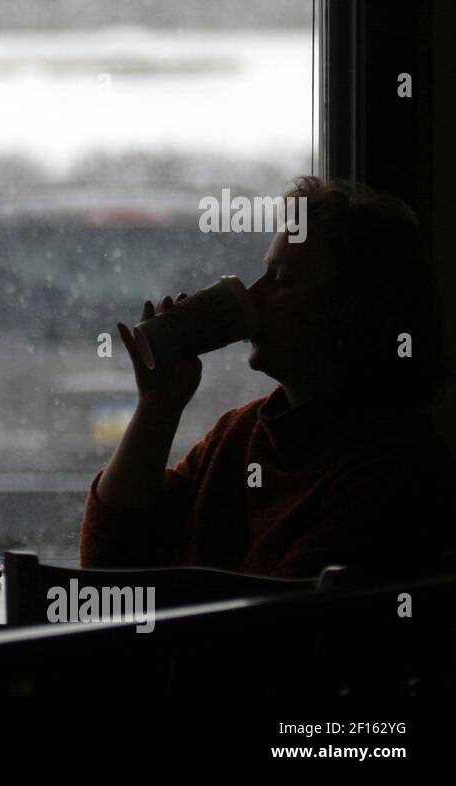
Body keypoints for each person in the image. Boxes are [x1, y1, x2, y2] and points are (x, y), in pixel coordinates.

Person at [81, 176, 456, 579]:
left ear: (353, 311)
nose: (253, 296)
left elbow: (283, 615)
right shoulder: (239, 435)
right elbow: (109, 566)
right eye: (265, 274)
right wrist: (157, 409)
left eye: (283, 279)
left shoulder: (396, 468)